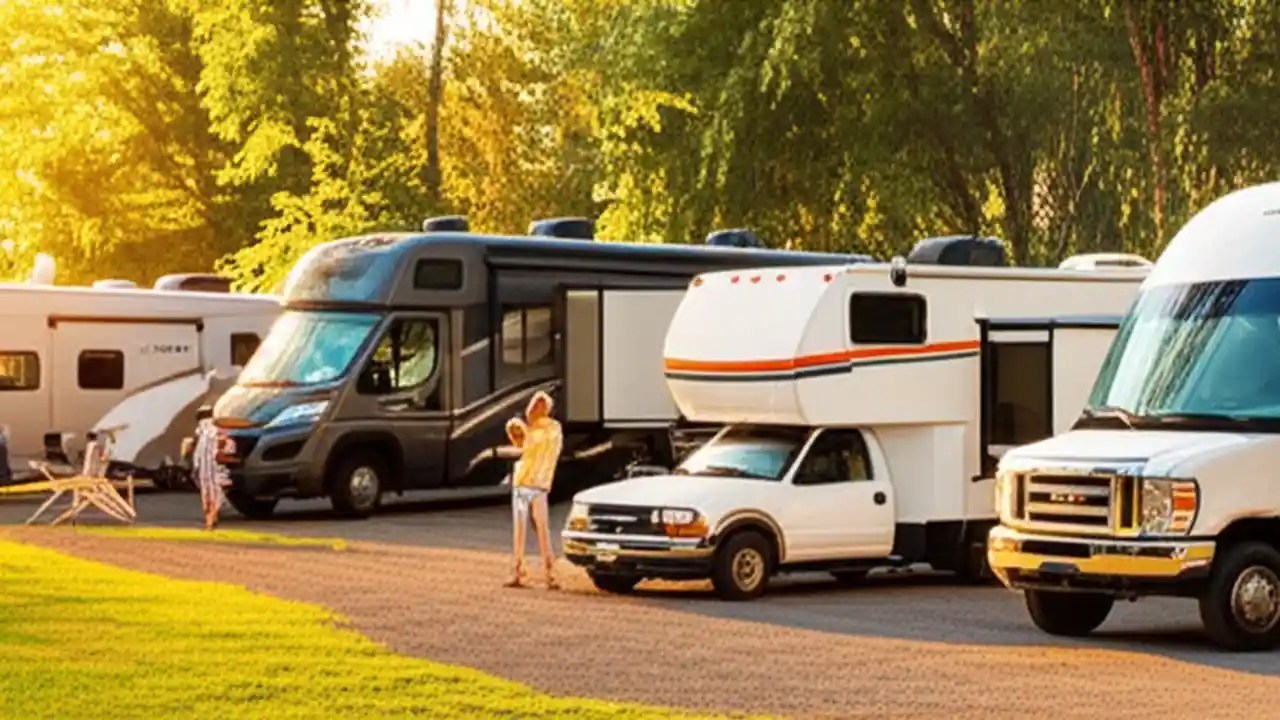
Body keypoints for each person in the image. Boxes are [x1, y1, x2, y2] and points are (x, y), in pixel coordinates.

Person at [505, 390, 562, 589]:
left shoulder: (547, 429)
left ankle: (543, 572)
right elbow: (523, 445)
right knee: (534, 528)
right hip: (532, 483)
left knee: (529, 529)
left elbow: (526, 444)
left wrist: (517, 428)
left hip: (531, 483)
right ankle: (540, 572)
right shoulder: (548, 429)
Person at [191, 407, 231, 530]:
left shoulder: (204, 432)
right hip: (212, 467)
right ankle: (211, 518)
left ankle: (211, 519)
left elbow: (196, 452)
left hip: (208, 467)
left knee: (209, 492)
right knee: (214, 492)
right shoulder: (215, 430)